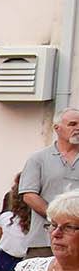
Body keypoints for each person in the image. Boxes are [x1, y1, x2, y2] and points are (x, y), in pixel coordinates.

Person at [19, 107, 79, 260]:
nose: (78, 128)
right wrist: (58, 218)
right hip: (43, 241)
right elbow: (29, 195)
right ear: (57, 128)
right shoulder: (38, 158)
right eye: (73, 124)